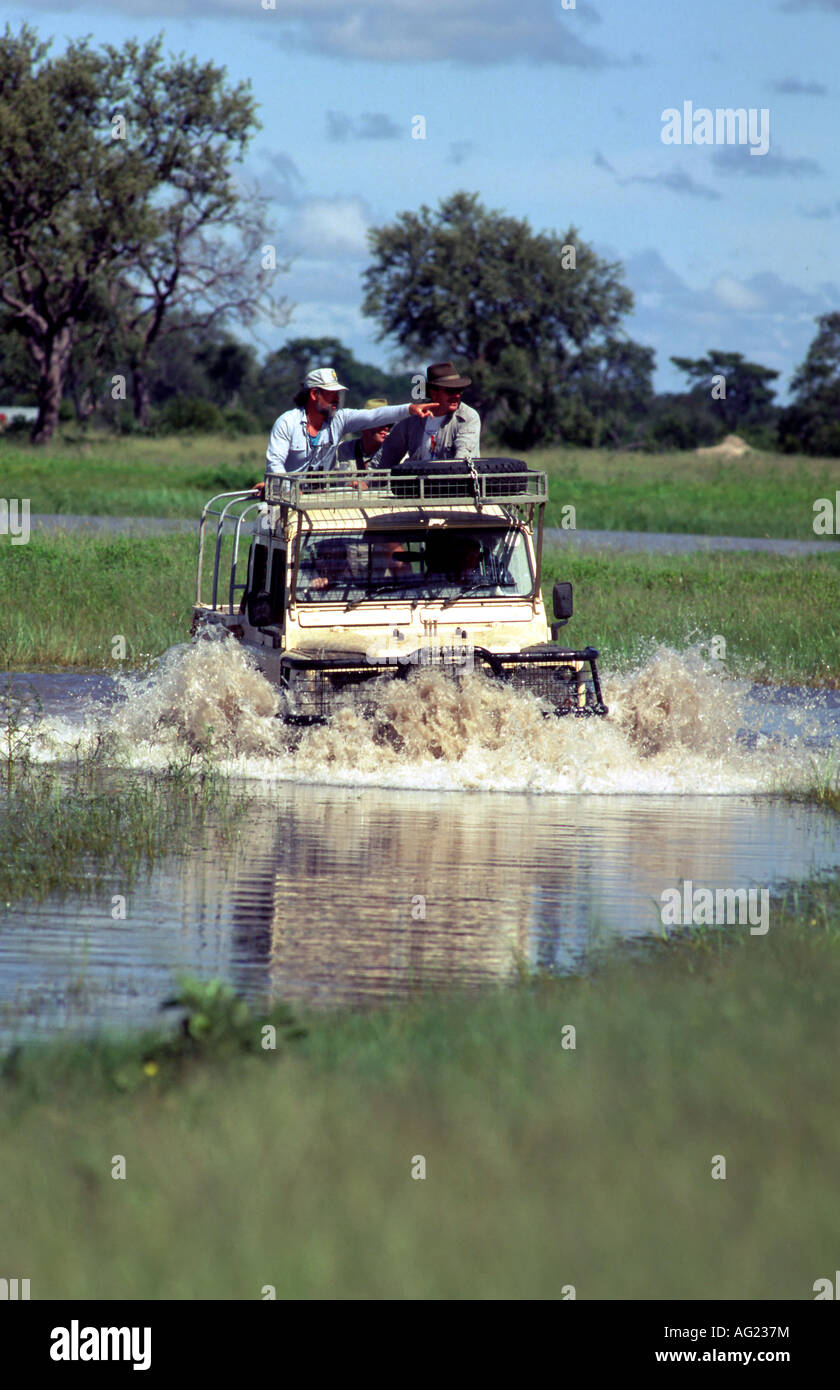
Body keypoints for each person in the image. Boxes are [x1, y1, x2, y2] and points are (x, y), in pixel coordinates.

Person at [263, 368, 434, 481]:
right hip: (287, 501)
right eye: (331, 393)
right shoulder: (287, 422)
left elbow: (373, 415)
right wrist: (288, 491)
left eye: (337, 393)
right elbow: (275, 464)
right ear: (314, 394)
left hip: (319, 500)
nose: (336, 398)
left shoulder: (339, 419)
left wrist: (410, 408)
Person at [379, 361, 480, 468]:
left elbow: (462, 458)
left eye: (459, 390)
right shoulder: (412, 418)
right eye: (450, 391)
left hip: (454, 483)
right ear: (433, 393)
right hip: (417, 484)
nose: (456, 395)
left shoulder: (467, 417)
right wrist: (368, 481)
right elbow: (387, 453)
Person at [336, 398, 392, 479]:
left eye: (390, 424)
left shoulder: (395, 453)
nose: (386, 428)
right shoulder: (341, 450)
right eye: (381, 422)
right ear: (364, 425)